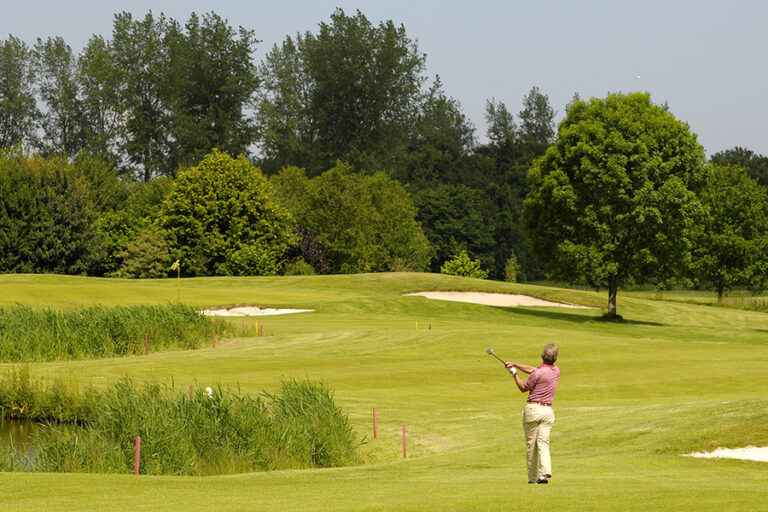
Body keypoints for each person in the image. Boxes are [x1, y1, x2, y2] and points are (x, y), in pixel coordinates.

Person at [506, 344, 560, 484]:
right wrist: (516, 364)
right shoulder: (556, 371)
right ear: (555, 358)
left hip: (533, 410)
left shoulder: (538, 373)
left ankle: (532, 479)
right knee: (543, 443)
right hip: (548, 411)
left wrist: (514, 373)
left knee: (531, 445)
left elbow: (524, 388)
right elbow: (533, 370)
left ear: (542, 356)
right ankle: (545, 474)